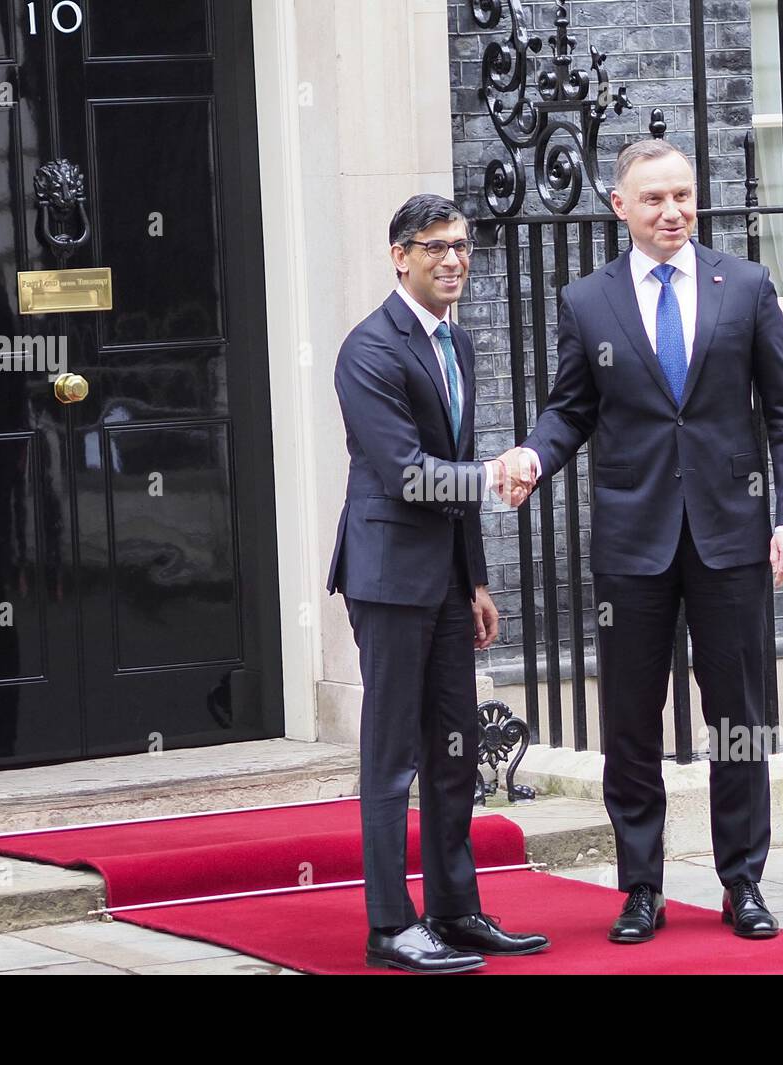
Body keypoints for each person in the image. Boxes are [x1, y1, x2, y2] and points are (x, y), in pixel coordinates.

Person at [502, 140, 783, 942]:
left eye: (683, 195)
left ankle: (742, 881)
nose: (673, 211)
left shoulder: (743, 285)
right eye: (654, 199)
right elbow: (571, 407)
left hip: (730, 539)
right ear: (620, 207)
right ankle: (641, 886)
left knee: (739, 717)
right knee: (632, 725)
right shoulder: (587, 301)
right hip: (633, 544)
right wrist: (534, 455)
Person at [327, 193, 549, 973]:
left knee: (455, 752)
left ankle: (456, 910)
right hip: (388, 580)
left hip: (448, 586)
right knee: (393, 756)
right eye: (435, 247)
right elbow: (408, 476)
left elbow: (452, 464)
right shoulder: (369, 350)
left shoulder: (456, 342)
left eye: (461, 245)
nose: (453, 259)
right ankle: (391, 924)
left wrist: (477, 580)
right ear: (399, 256)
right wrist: (495, 477)